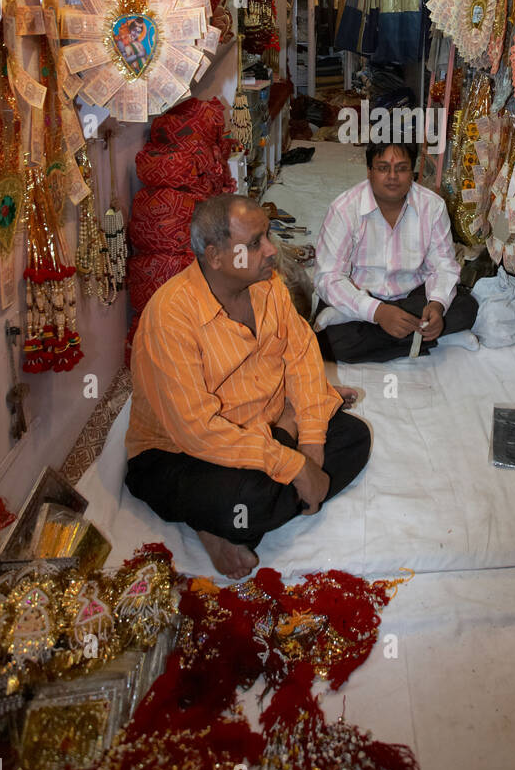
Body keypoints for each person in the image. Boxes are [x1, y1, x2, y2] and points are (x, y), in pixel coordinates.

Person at [125, 194, 371, 580]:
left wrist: (311, 442)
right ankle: (214, 525)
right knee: (247, 500)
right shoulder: (170, 316)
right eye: (255, 243)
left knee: (355, 437)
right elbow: (198, 432)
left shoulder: (268, 287)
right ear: (215, 256)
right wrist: (292, 461)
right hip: (179, 454)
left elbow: (303, 355)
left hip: (259, 429)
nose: (271, 251)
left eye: (267, 236)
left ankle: (236, 515)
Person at [314, 142, 478, 363]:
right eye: (383, 168)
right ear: (369, 171)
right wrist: (377, 312)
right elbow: (328, 277)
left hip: (412, 297)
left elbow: (443, 267)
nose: (392, 177)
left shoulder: (432, 207)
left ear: (412, 172)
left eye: (401, 168)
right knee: (329, 344)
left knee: (466, 307)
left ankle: (425, 333)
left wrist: (437, 306)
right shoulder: (344, 209)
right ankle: (434, 339)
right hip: (362, 296)